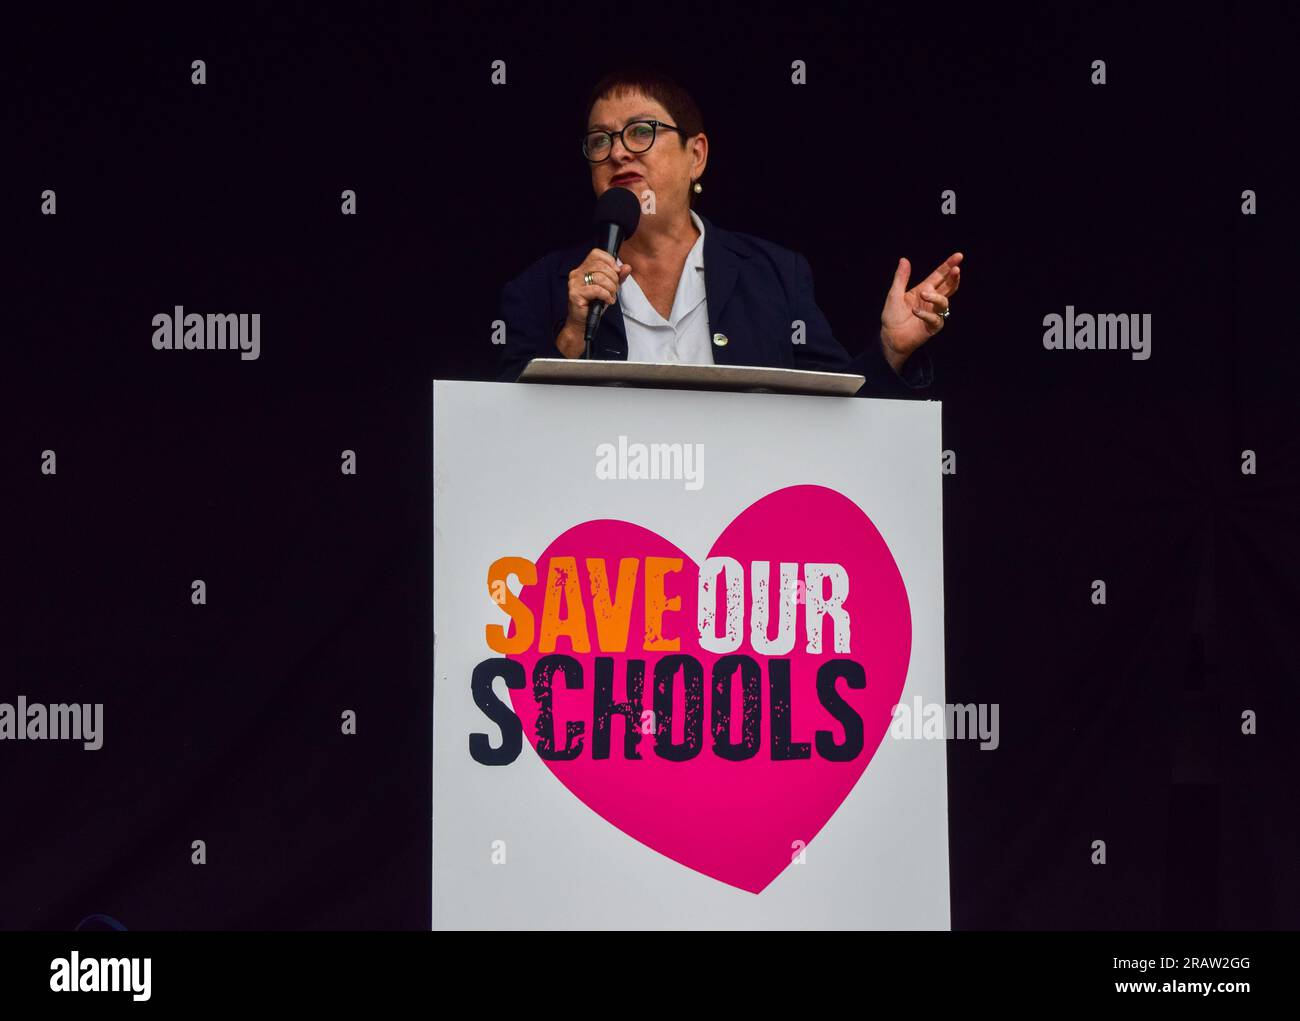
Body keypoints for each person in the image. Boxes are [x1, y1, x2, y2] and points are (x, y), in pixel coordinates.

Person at [496, 68, 962, 394]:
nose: (618, 153)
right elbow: (506, 436)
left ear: (696, 154)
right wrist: (574, 335)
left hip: (740, 528)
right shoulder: (542, 287)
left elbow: (837, 416)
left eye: (640, 132)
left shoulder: (776, 275)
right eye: (600, 140)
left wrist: (890, 351)